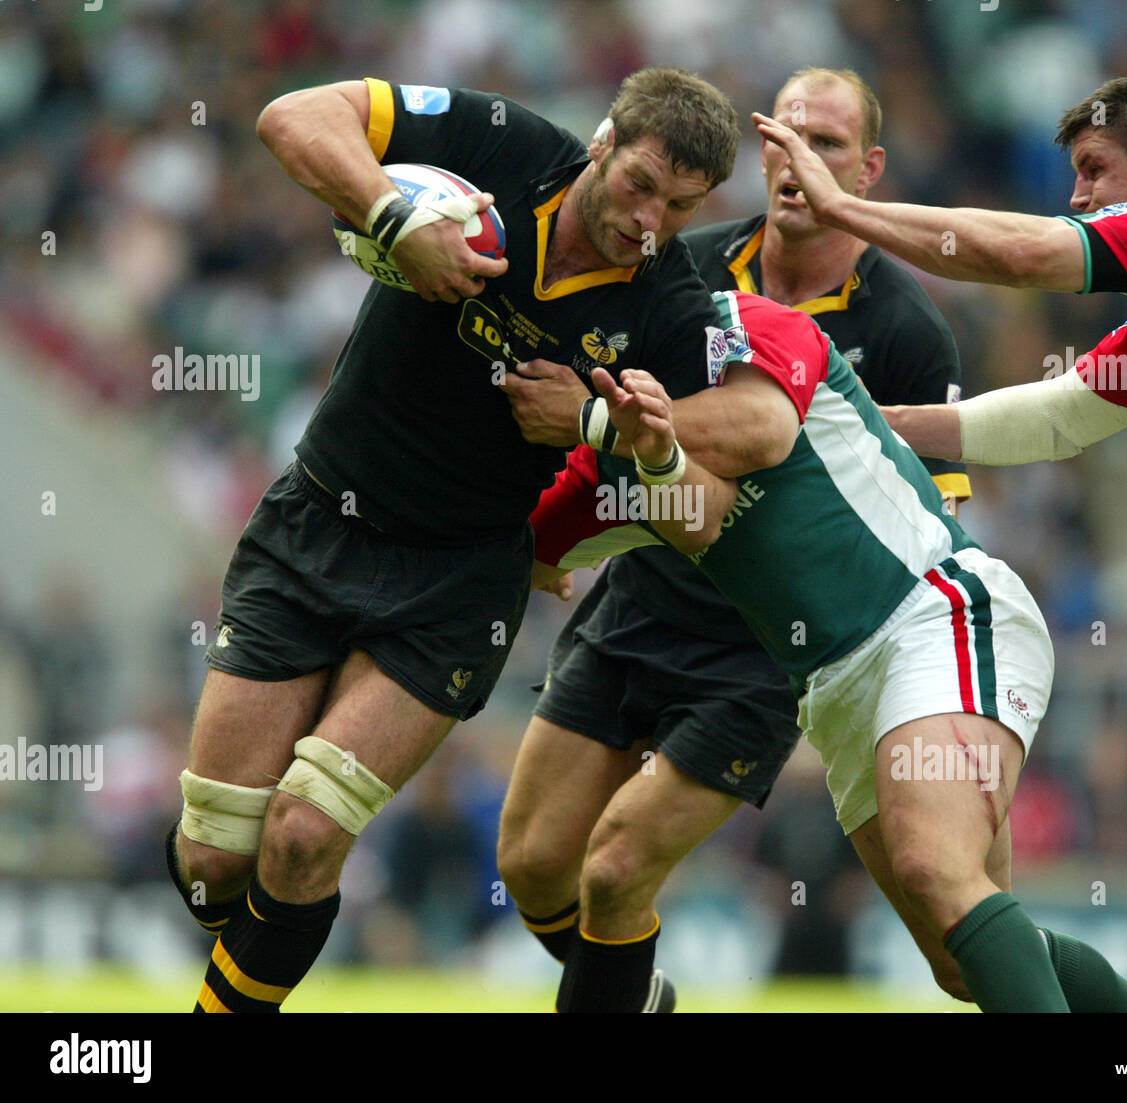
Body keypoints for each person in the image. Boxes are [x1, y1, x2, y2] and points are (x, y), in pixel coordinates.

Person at [165, 68, 740, 1013]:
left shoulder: (673, 311)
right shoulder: (502, 144)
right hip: (317, 521)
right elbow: (292, 117)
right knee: (212, 859)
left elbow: (707, 507)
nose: (651, 221)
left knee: (305, 834)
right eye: (641, 184)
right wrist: (393, 218)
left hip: (457, 582)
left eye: (681, 207)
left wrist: (601, 427)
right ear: (602, 143)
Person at [757, 67, 1127, 979]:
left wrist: (844, 211)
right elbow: (1053, 417)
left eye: (1095, 169)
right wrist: (856, 419)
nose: (1077, 196)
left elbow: (1021, 254)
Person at [532, 288, 1127, 1013]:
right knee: (960, 957)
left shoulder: (740, 324)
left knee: (935, 869)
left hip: (930, 613)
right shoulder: (601, 469)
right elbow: (557, 548)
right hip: (835, 690)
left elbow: (761, 434)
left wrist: (596, 420)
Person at [497, 68, 975, 1009]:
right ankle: (641, 998)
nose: (800, 159)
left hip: (765, 648)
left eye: (827, 143)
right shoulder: (684, 263)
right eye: (785, 136)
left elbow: (934, 523)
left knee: (616, 865)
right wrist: (552, 532)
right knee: (533, 864)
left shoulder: (907, 329)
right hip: (640, 600)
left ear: (869, 169)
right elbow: (603, 415)